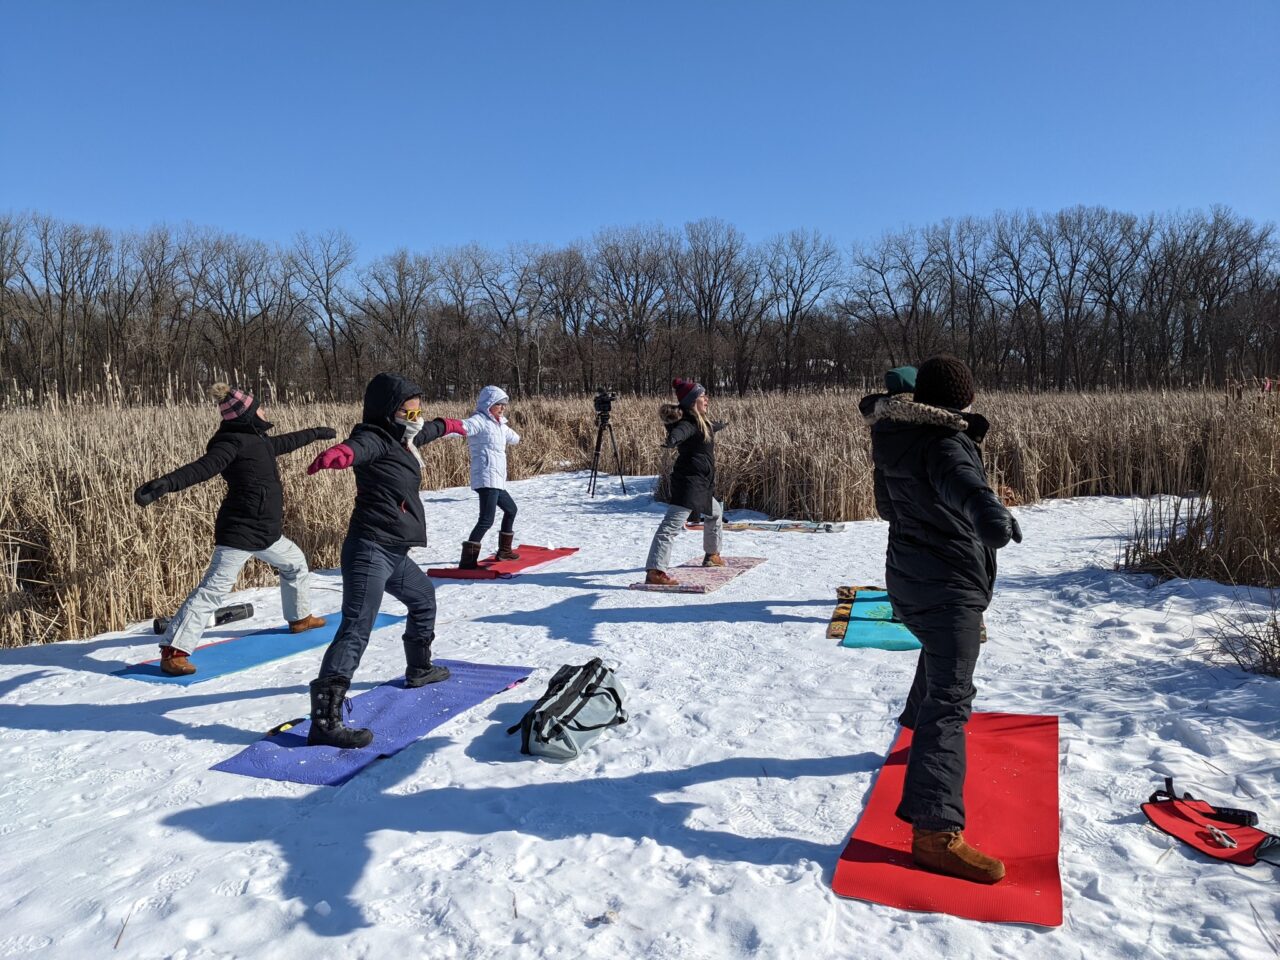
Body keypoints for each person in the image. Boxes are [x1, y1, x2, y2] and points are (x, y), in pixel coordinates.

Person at [870, 355, 1021, 884]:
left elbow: (891, 507)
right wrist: (990, 517)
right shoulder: (947, 443)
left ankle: (914, 727)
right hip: (946, 586)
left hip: (909, 577)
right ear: (963, 400)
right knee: (952, 699)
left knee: (936, 654)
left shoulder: (896, 436)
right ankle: (935, 833)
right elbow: (964, 485)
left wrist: (967, 514)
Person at [304, 372, 465, 749]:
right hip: (370, 549)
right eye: (409, 412)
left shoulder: (404, 436)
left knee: (423, 599)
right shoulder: (374, 437)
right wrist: (341, 454)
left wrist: (451, 425)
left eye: (418, 411)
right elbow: (359, 447)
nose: (416, 418)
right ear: (387, 412)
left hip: (394, 551)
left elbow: (427, 430)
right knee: (357, 626)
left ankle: (419, 669)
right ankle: (325, 721)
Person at [133, 383, 334, 676]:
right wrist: (165, 484)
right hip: (239, 532)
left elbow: (285, 442)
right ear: (248, 414)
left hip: (265, 532)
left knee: (294, 564)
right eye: (260, 408)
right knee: (212, 591)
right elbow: (202, 468)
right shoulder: (230, 443)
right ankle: (174, 651)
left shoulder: (259, 440)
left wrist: (314, 433)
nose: (265, 411)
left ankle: (300, 618)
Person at [644, 378, 727, 586]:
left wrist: (720, 425)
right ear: (692, 402)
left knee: (715, 514)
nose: (707, 399)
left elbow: (707, 428)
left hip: (702, 483)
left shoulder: (702, 422)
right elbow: (681, 432)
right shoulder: (688, 424)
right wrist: (672, 440)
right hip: (689, 483)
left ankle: (712, 555)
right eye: (702, 396)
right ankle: (655, 571)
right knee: (671, 526)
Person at [457, 385, 522, 569]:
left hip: (497, 480)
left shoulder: (500, 424)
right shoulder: (479, 421)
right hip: (486, 477)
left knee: (511, 510)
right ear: (488, 404)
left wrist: (516, 437)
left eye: (504, 405)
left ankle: (504, 551)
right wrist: (444, 428)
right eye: (499, 404)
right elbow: (464, 427)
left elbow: (514, 438)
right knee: (486, 520)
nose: (502, 408)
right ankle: (468, 561)